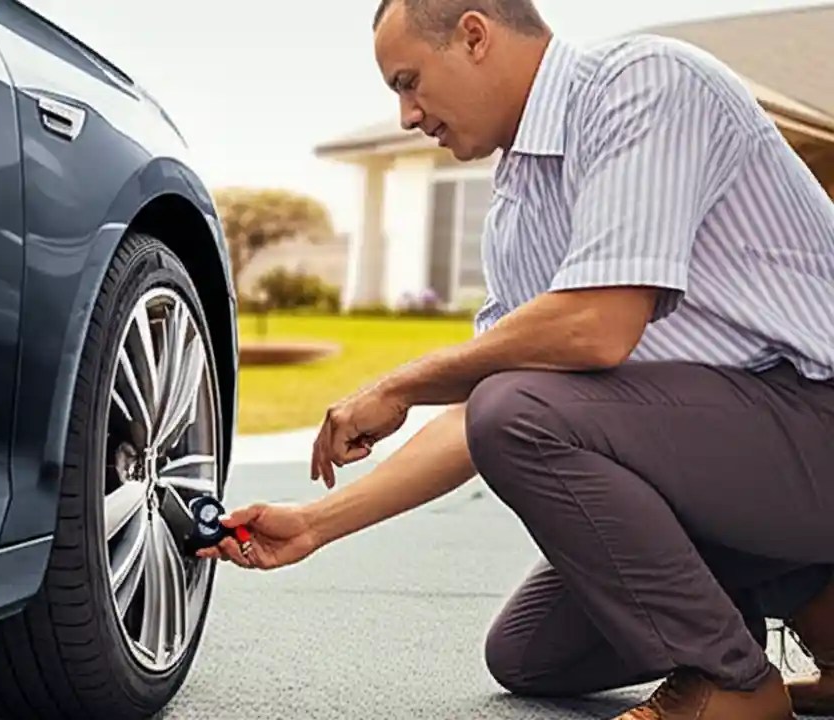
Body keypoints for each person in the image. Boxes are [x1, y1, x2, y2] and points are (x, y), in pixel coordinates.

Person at [199, 1, 834, 718]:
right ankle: (818, 607)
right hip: (748, 459)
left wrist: (404, 381)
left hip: (817, 422)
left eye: (409, 82)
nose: (407, 115)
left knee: (519, 409)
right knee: (529, 652)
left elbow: (596, 328)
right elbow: (479, 415)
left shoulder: (643, 84)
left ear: (473, 35)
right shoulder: (518, 214)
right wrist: (316, 523)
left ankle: (730, 684)